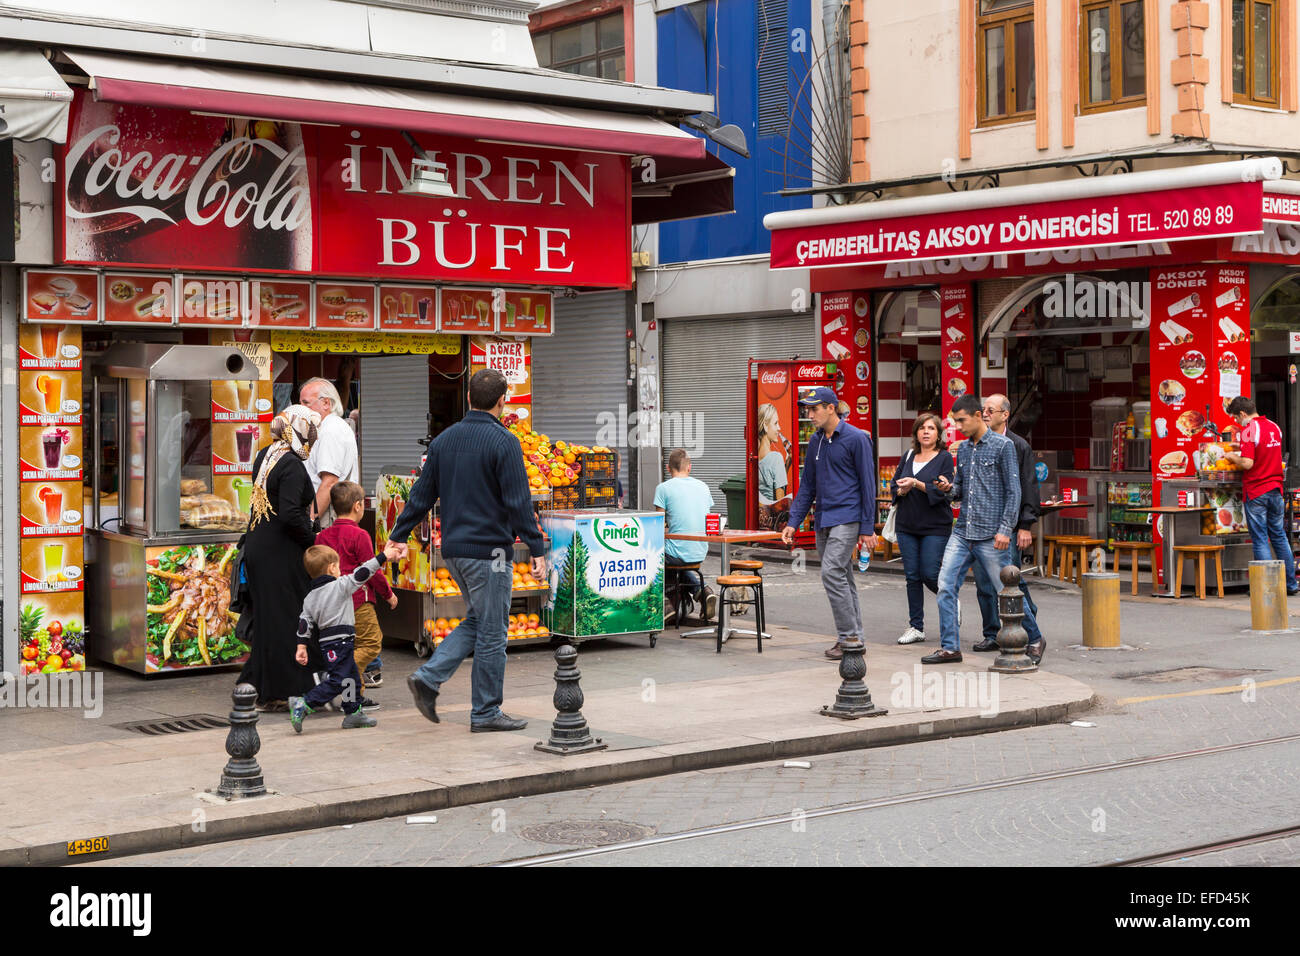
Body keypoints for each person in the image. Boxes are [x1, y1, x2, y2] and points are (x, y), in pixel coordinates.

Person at [388, 369, 547, 732]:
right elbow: (518, 503)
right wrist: (536, 547)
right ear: (502, 400)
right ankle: (486, 712)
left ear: (470, 398)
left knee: (479, 620)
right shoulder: (504, 442)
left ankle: (429, 677)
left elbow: (421, 495)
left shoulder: (444, 441)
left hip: (455, 551)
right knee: (493, 633)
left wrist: (400, 532)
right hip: (489, 553)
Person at [780, 386, 877, 661]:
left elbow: (868, 486)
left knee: (831, 572)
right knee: (843, 577)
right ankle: (854, 635)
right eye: (807, 410)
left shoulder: (857, 439)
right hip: (823, 518)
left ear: (831, 408)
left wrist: (868, 528)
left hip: (848, 516)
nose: (809, 414)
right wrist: (793, 521)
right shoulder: (815, 441)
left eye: (814, 409)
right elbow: (807, 484)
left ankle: (849, 638)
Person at [926, 394, 1020, 664]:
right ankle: (950, 647)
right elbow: (960, 491)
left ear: (978, 416)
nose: (957, 426)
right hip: (963, 530)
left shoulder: (1004, 446)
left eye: (961, 420)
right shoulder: (964, 449)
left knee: (1007, 589)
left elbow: (1014, 491)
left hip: (991, 533)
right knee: (945, 585)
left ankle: (1033, 639)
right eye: (955, 421)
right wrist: (947, 489)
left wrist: (1006, 529)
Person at [238, 405, 321, 710]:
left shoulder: (266, 455)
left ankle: (260, 685)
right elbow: (289, 513)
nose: (313, 436)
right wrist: (315, 541)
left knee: (269, 619)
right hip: (280, 552)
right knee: (288, 617)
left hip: (260, 545)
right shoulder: (292, 466)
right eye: (311, 430)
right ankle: (285, 689)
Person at [288, 541, 400, 732]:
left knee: (352, 678)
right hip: (340, 642)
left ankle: (353, 713)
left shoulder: (310, 596)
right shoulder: (341, 585)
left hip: (331, 643)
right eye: (338, 566)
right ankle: (304, 703)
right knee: (339, 680)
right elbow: (364, 572)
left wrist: (301, 646)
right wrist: (383, 556)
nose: (340, 570)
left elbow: (304, 623)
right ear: (332, 568)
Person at [972, 394, 1046, 664]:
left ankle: (1028, 628)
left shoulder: (1018, 445)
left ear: (1005, 414)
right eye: (984, 410)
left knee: (1009, 579)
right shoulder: (977, 443)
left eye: (991, 410)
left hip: (1009, 525)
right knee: (983, 582)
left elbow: (1028, 485)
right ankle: (992, 632)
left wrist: (1025, 524)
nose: (986, 414)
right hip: (981, 525)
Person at [316, 480, 397, 708]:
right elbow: (371, 570)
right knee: (371, 643)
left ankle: (354, 698)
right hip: (358, 601)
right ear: (358, 506)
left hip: (331, 605)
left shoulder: (322, 537)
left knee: (349, 646)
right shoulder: (359, 535)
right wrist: (388, 594)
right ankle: (336, 676)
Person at [891, 413, 954, 645]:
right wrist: (901, 491)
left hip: (935, 525)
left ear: (938, 434)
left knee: (929, 572)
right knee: (912, 577)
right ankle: (916, 626)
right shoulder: (908, 456)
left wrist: (916, 484)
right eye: (921, 428)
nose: (926, 432)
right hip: (907, 524)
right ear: (916, 433)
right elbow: (893, 485)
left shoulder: (944, 458)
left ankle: (949, 598)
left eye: (931, 428)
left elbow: (945, 491)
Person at [1226, 396, 1298, 595]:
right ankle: (1290, 585)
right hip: (1276, 490)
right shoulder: (1274, 427)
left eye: (1236, 418)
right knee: (1279, 537)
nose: (1237, 423)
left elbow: (1248, 463)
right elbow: (1268, 453)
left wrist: (1232, 456)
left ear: (1242, 414)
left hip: (1257, 490)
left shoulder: (1248, 430)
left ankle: (1267, 587)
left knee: (1260, 539)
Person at [654, 448, 718, 623]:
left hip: (677, 553)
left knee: (649, 556)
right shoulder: (703, 486)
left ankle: (665, 604)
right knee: (676, 561)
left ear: (668, 468)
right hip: (700, 549)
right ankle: (703, 591)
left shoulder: (663, 488)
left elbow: (658, 524)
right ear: (689, 467)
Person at [300, 377, 359, 529]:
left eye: (306, 403)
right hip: (326, 512)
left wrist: (310, 521)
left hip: (327, 515)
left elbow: (329, 482)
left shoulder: (330, 430)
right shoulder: (327, 427)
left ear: (326, 403)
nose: (301, 408)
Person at [756, 402, 792, 531]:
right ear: (765, 426)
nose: (779, 428)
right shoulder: (776, 457)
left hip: (762, 520)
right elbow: (780, 501)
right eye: (776, 423)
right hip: (773, 523)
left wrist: (786, 466)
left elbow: (767, 480)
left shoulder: (754, 456)